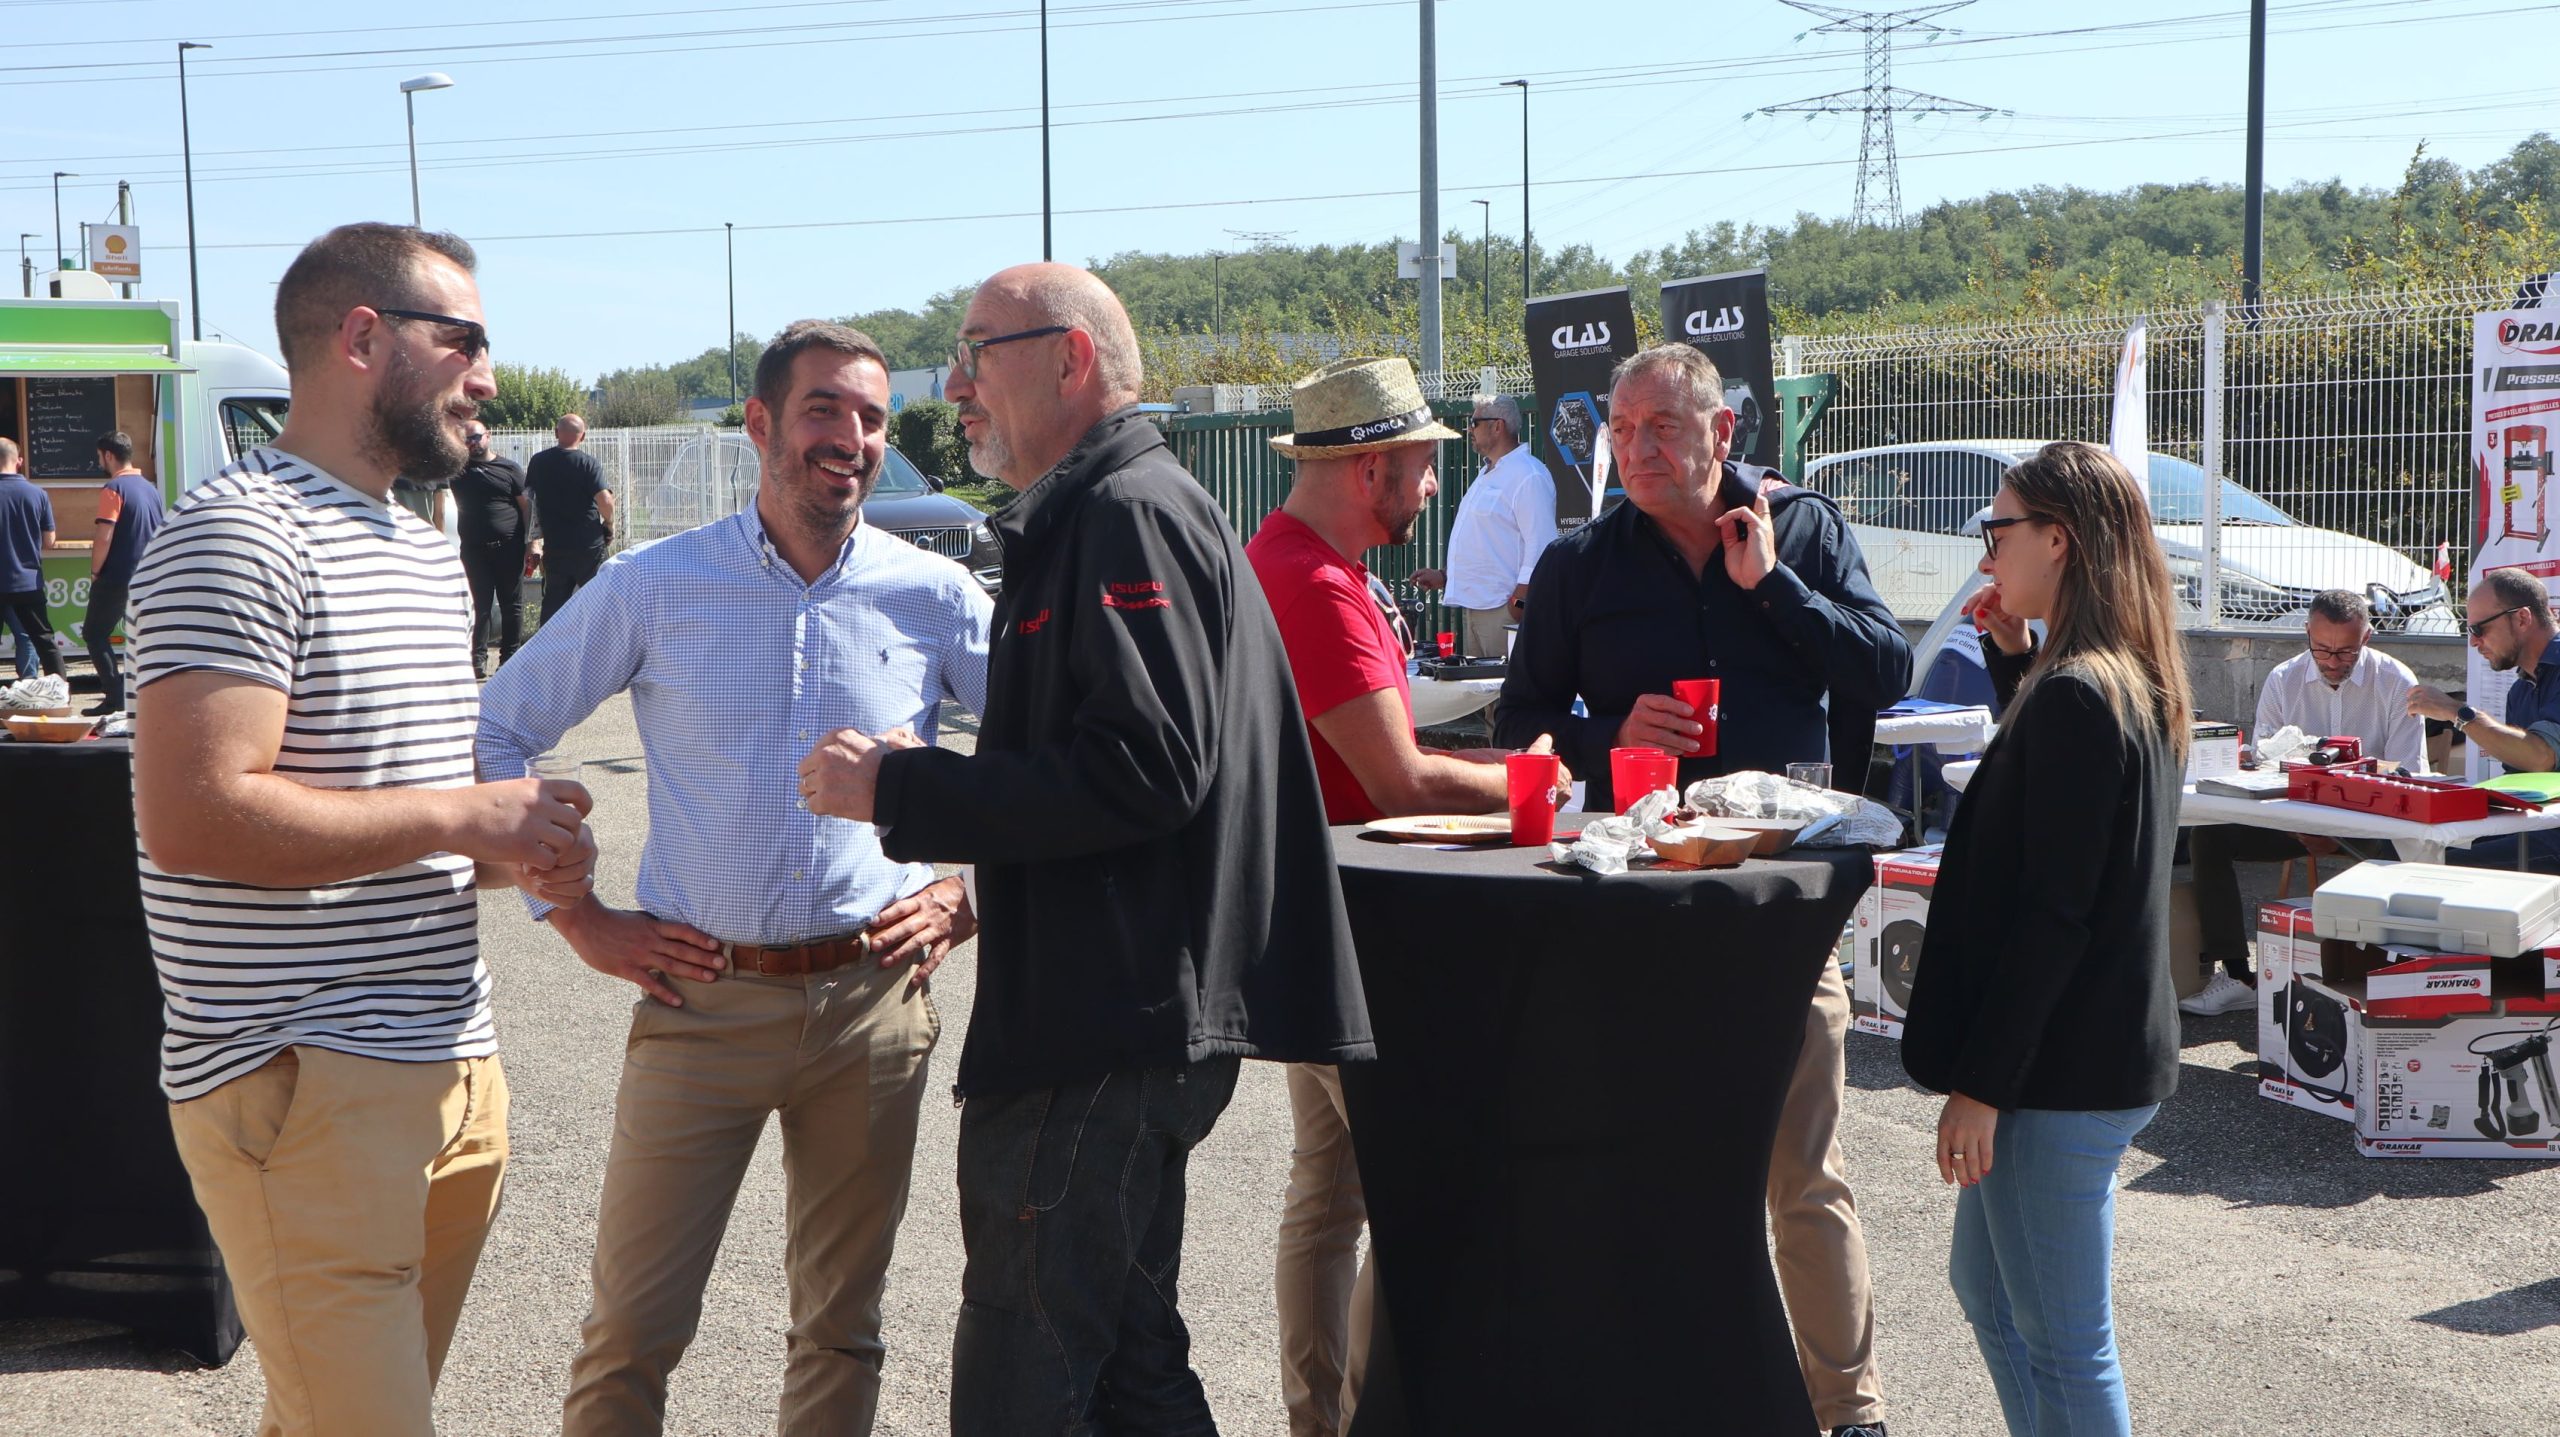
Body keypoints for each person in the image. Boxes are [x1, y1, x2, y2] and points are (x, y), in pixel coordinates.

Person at [795, 262, 1371, 1437]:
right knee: (1126, 1366)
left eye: (976, 351)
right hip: (1118, 1023)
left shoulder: (1124, 511)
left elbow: (1147, 770)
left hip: (1100, 1033)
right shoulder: (1111, 505)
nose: (954, 386)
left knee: (1029, 1374)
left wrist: (901, 788)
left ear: (1071, 359)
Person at [127, 222, 597, 1437]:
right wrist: (460, 811)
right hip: (302, 1072)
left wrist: (507, 849)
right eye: (467, 341)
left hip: (445, 1065)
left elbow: (381, 806)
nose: (488, 376)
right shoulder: (239, 531)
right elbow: (197, 816)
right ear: (362, 338)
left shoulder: (417, 542)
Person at [478, 320, 988, 1436]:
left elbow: (1058, 760)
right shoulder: (655, 586)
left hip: (871, 1003)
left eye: (869, 417)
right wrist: (570, 916)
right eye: (822, 411)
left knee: (842, 1331)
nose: (848, 437)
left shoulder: (934, 595)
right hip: (699, 1001)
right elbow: (500, 725)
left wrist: (968, 893)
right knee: (630, 1336)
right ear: (760, 424)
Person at [1496, 342, 1906, 1437]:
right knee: (1628, 1159)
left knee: (1800, 1169)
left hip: (1779, 910)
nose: (1635, 450)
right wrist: (1602, 736)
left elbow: (1884, 671)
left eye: (1660, 428)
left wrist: (1768, 586)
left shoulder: (1802, 529)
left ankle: (1847, 1412)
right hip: (1627, 914)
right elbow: (1514, 725)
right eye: (1620, 431)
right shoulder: (1583, 562)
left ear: (1723, 434)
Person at [1245, 355, 1569, 1437]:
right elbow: (1397, 781)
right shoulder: (1313, 580)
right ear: (1371, 469)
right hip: (1359, 927)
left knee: (1330, 1188)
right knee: (1416, 1188)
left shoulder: (1295, 560)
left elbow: (1379, 758)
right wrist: (1539, 790)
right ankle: (1369, 1412)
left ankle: (1325, 1417)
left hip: (1323, 913)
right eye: (1424, 468)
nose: (1435, 488)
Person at [1900, 440, 2189, 1437]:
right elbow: (2076, 840)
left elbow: (2054, 911)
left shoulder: (2078, 695)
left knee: (2067, 1343)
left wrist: (1980, 1085)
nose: (1986, 555)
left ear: (2057, 540)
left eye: (1997, 530)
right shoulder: (2105, 679)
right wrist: (2013, 656)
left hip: (2059, 1070)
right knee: (1986, 1294)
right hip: (2078, 1056)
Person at [2184, 589, 2422, 1015]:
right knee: (2208, 835)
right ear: (2307, 635)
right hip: (2291, 820)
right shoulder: (2283, 678)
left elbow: (2408, 777)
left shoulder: (2396, 681)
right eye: (2322, 650)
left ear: (2367, 637)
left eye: (2346, 652)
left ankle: (2397, 974)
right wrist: (2299, 823)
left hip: (2369, 827)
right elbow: (2259, 767)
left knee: (2412, 852)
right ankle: (2238, 973)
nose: (2332, 661)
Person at [2410, 567, 2560, 871]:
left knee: (2425, 864)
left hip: (2549, 836)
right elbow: (2523, 784)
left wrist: (2457, 713)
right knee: (2404, 846)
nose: (2474, 642)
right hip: (2538, 828)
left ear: (2522, 618)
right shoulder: (2520, 690)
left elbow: (2541, 757)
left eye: (2480, 630)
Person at [1410, 392, 1554, 660]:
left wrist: (1517, 608)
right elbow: (1488, 546)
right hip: (1477, 612)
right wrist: (1444, 576)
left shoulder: (1528, 475)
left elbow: (1542, 548)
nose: (1469, 429)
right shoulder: (1487, 473)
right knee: (1484, 698)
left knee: (1507, 698)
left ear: (1497, 426)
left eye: (1474, 423)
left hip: (1503, 614)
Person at [82, 429, 163, 712]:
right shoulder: (150, 488)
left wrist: (95, 572)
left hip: (118, 575)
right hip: (150, 574)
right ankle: (141, 695)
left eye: (100, 457)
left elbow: (105, 535)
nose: (99, 463)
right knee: (141, 636)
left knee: (94, 633)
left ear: (108, 455)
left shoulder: (114, 489)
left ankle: (116, 697)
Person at [451, 422, 530, 678]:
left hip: (509, 548)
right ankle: (477, 661)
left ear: (488, 436)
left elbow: (526, 507)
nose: (471, 443)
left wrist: (534, 542)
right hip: (474, 550)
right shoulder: (458, 470)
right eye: (466, 439)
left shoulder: (509, 469)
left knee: (511, 605)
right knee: (479, 606)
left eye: (475, 437)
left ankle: (510, 660)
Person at [529, 412, 615, 619]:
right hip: (589, 546)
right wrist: (609, 523)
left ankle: (548, 649)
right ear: (583, 436)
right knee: (598, 602)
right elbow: (605, 500)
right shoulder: (588, 464)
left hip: (556, 545)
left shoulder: (538, 462)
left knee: (554, 604)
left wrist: (533, 541)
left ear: (556, 433)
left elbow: (529, 502)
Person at [0, 437, 62, 679]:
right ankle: (58, 693)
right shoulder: (37, 494)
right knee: (42, 640)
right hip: (27, 581)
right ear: (20, 461)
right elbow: (49, 541)